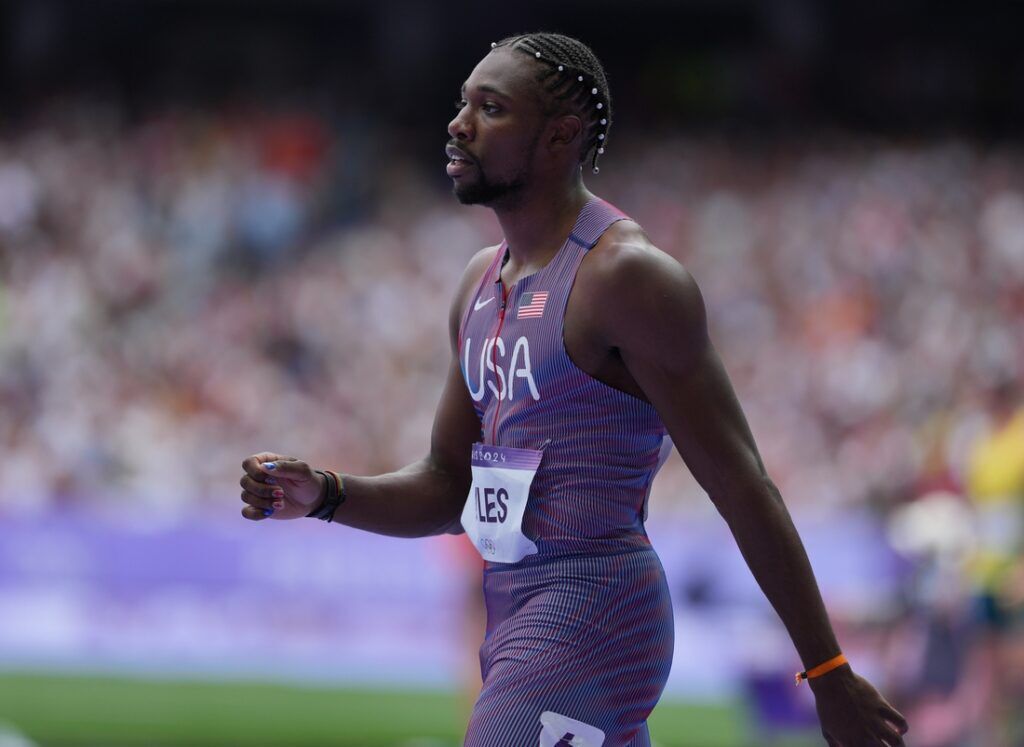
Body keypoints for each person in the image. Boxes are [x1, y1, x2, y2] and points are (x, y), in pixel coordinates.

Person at [239, 32, 909, 747]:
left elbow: (742, 482)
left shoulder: (625, 277)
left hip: (594, 612)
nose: (457, 124)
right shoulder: (478, 283)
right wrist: (327, 493)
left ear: (559, 137)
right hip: (514, 614)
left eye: (490, 109)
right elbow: (447, 484)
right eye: (462, 103)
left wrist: (828, 668)